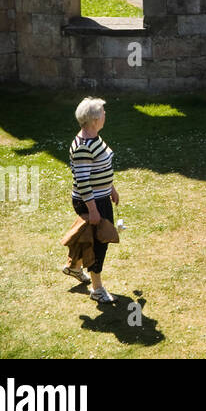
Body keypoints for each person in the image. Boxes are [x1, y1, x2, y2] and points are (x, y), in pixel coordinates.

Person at [62, 97, 119, 303]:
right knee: (99, 242)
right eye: (103, 112)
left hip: (101, 197)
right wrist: (93, 210)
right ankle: (97, 289)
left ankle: (74, 267)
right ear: (94, 119)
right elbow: (83, 182)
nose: (105, 115)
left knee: (89, 236)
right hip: (92, 201)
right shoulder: (83, 146)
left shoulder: (94, 138)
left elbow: (101, 168)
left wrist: (111, 187)